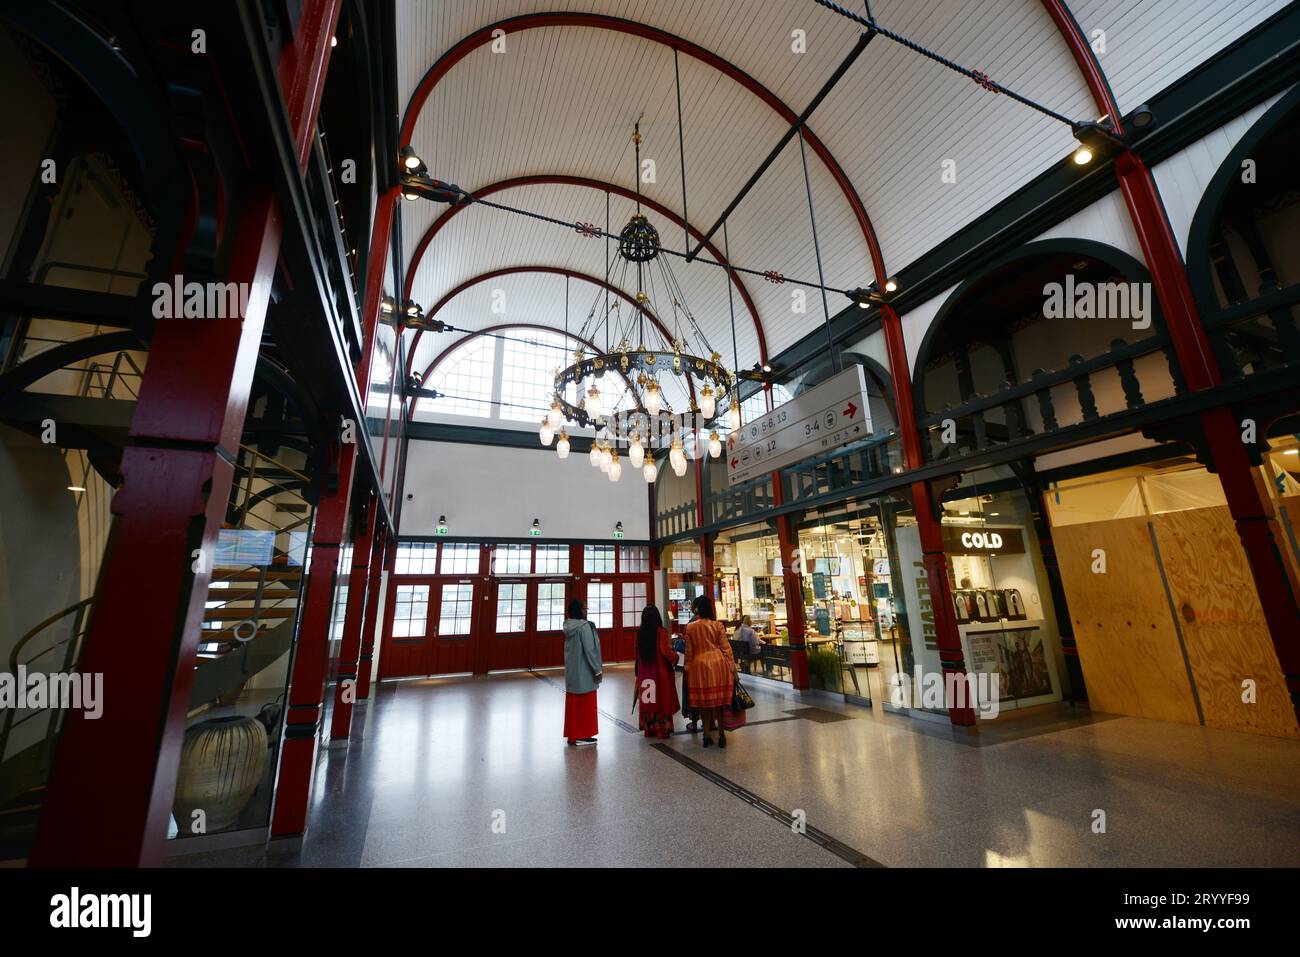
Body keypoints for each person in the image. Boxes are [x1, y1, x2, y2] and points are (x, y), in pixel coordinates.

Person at [685, 595, 737, 748]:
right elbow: (726, 649)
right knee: (720, 703)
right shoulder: (718, 626)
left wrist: (687, 668)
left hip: (699, 666)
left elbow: (689, 652)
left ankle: (706, 734)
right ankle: (721, 734)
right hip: (718, 664)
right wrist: (733, 669)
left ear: (698, 609)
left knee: (704, 703)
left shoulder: (690, 627)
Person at [634, 605, 679, 738]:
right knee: (661, 700)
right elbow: (665, 651)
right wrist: (676, 657)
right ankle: (661, 729)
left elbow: (636, 653)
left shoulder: (640, 633)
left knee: (648, 700)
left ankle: (649, 728)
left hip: (645, 673)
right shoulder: (661, 632)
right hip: (659, 673)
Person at [562, 598, 602, 746]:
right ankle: (583, 734)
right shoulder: (584, 627)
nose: (586, 611)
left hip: (572, 673)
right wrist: (597, 670)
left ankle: (573, 734)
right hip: (585, 673)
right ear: (579, 611)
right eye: (584, 608)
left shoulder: (568, 626)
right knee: (586, 705)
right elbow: (590, 650)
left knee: (573, 705)